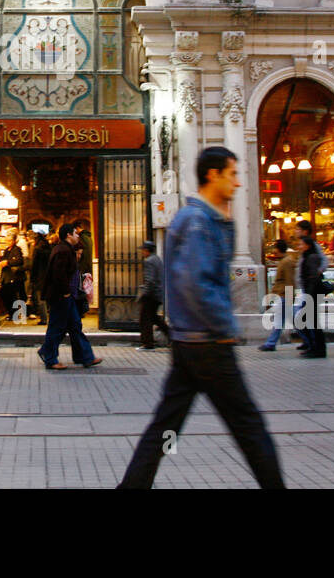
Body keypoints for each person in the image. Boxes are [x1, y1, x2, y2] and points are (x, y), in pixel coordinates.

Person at [118, 147, 285, 489]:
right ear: (213, 175)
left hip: (190, 343)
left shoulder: (208, 219)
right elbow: (196, 284)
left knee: (166, 426)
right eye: (233, 174)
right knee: (248, 426)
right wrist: (226, 328)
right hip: (207, 343)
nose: (238, 183)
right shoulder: (196, 222)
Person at [36, 223, 101, 370]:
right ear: (68, 235)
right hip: (61, 296)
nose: (78, 235)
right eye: (75, 233)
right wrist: (65, 292)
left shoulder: (65, 249)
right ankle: (50, 357)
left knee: (75, 326)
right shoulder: (63, 251)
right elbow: (58, 274)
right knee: (57, 327)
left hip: (66, 296)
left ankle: (85, 357)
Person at [258, 240, 298, 351]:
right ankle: (271, 343)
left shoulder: (287, 262)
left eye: (275, 248)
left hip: (285, 295)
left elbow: (290, 281)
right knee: (287, 320)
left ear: (279, 249)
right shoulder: (285, 261)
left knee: (284, 320)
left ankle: (271, 343)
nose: (274, 251)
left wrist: (290, 296)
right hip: (283, 295)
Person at [297, 232, 328, 358]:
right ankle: (314, 347)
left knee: (309, 322)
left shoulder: (312, 257)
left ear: (307, 245)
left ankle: (318, 348)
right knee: (309, 321)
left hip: (312, 294)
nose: (299, 246)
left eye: (301, 244)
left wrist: (309, 296)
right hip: (309, 294)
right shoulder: (307, 256)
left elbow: (313, 277)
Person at [137, 240, 169, 350]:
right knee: (154, 318)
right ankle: (171, 335)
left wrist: (144, 294)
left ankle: (147, 343)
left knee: (145, 319)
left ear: (147, 250)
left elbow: (149, 280)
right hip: (157, 294)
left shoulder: (149, 261)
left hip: (151, 295)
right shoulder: (157, 259)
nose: (142, 252)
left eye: (143, 250)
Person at [30, 231, 51, 325]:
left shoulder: (37, 249)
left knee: (40, 298)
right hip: (48, 276)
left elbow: (34, 265)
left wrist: (32, 277)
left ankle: (44, 319)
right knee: (48, 298)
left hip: (39, 277)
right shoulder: (49, 248)